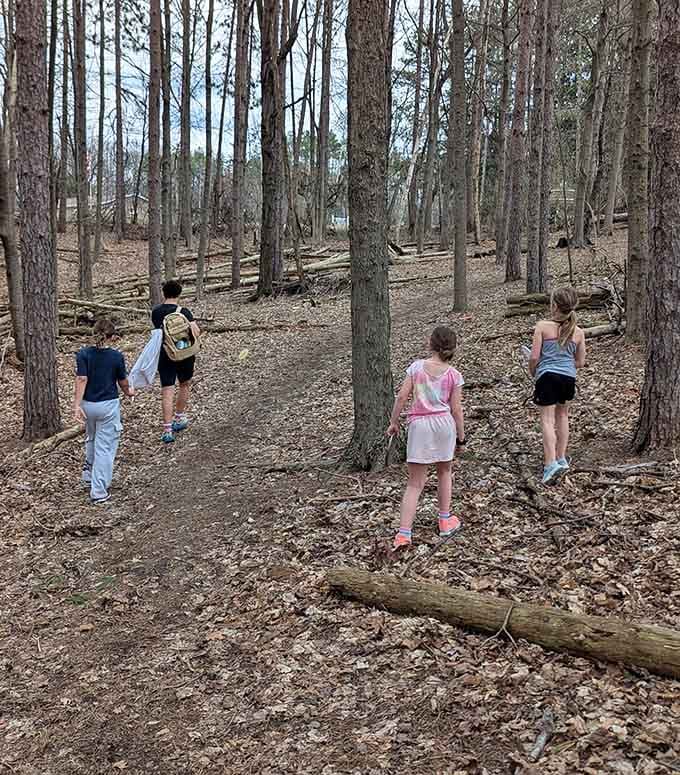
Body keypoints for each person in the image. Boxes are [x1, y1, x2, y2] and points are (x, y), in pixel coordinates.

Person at [387, 326, 465, 549]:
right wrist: (461, 439)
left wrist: (394, 422)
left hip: (419, 426)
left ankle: (403, 534)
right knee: (444, 472)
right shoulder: (454, 375)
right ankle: (445, 520)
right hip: (444, 425)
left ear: (430, 344)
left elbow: (402, 396)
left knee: (414, 483)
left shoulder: (416, 368)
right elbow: (457, 410)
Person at [528, 286, 586, 485]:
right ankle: (561, 458)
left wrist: (533, 370)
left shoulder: (542, 326)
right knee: (563, 416)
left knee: (546, 419)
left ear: (554, 305)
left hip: (547, 376)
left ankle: (550, 463)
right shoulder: (578, 332)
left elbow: (534, 356)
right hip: (568, 378)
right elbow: (580, 362)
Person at [73, 318, 134, 504]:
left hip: (88, 405)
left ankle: (88, 475)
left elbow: (81, 379)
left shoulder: (83, 354)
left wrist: (76, 405)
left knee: (91, 438)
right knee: (105, 448)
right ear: (112, 337)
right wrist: (129, 391)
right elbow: (122, 381)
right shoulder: (116, 357)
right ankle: (99, 491)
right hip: (108, 405)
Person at [151, 279, 201, 443]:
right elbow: (196, 331)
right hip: (184, 353)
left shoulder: (156, 312)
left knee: (167, 390)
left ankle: (167, 430)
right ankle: (179, 418)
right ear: (179, 294)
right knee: (184, 384)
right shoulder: (184, 312)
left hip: (165, 354)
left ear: (164, 294)